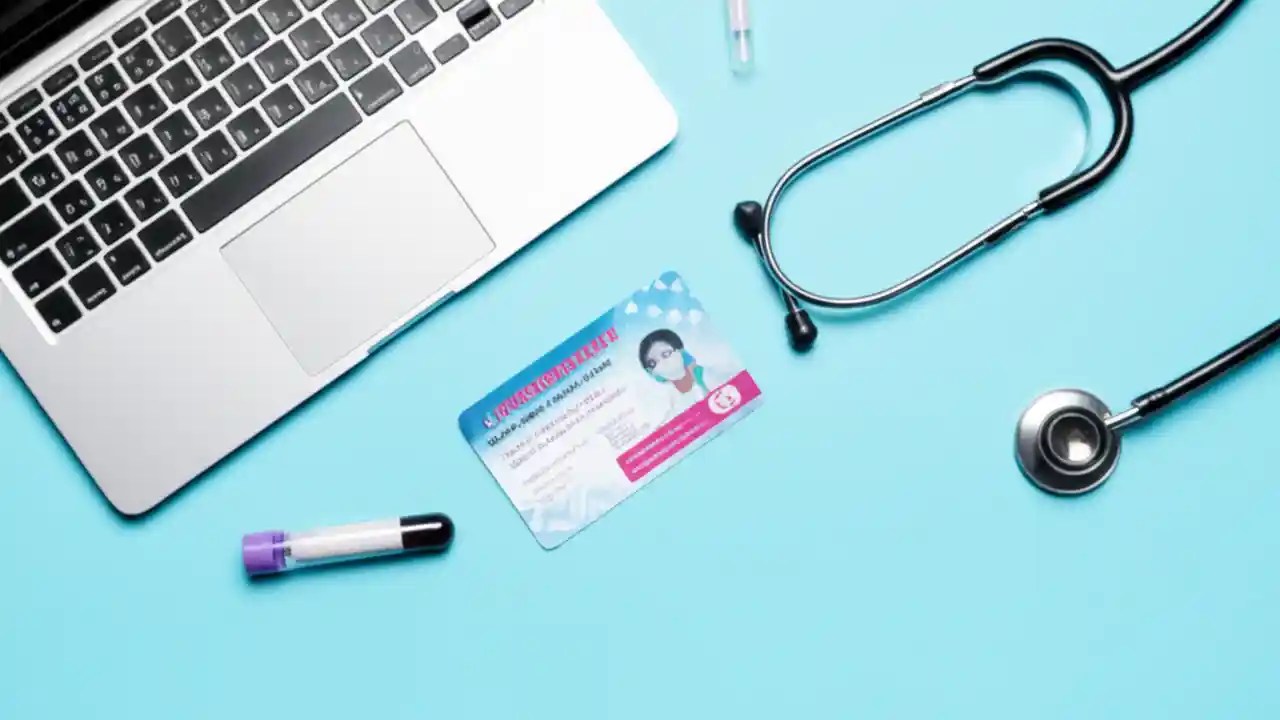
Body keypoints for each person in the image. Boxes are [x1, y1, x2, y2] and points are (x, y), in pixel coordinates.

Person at [638, 329, 720, 419]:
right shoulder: (671, 405)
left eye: (665, 354)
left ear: (680, 351)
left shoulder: (714, 375)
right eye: (653, 363)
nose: (662, 363)